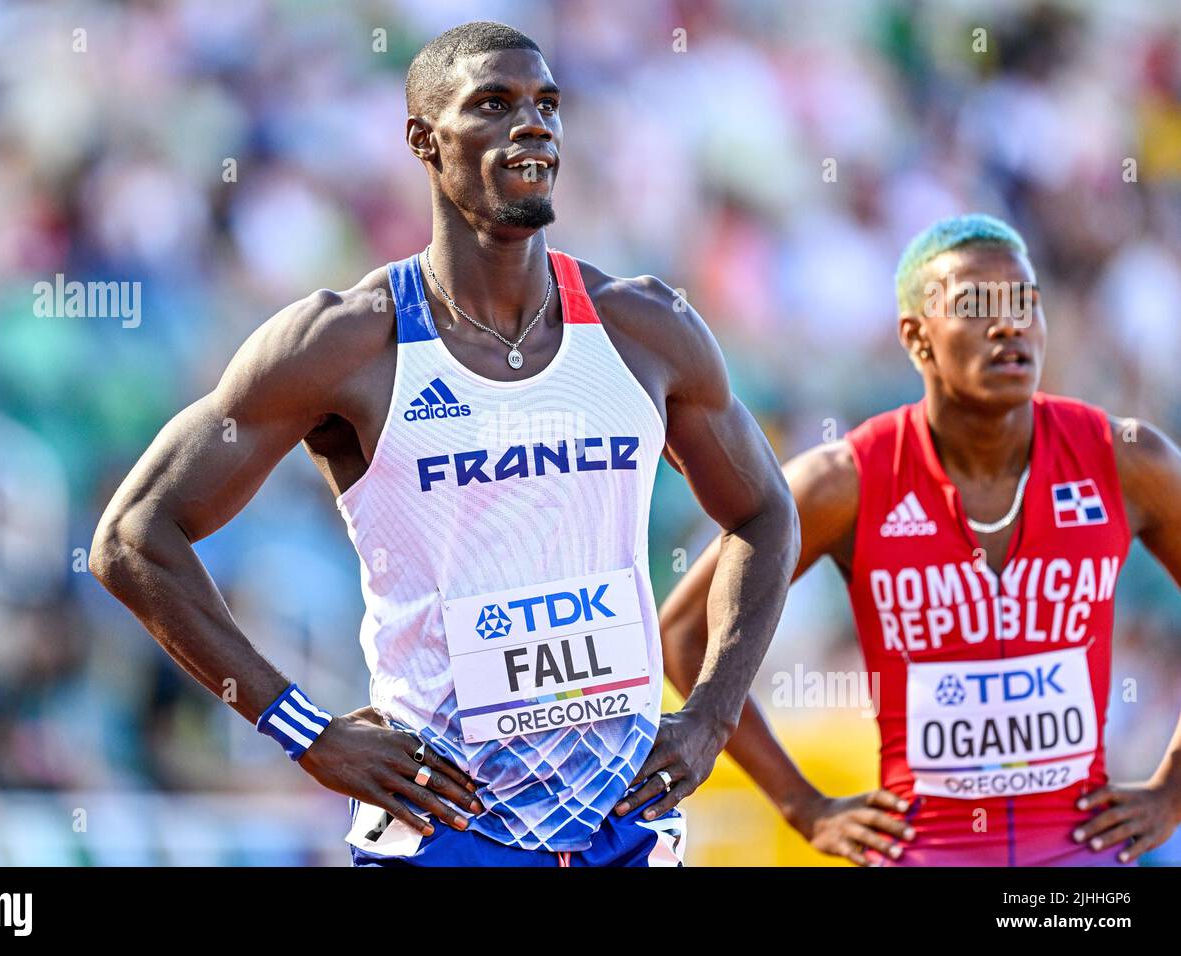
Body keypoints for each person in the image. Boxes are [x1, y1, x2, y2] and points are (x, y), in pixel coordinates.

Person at [88, 21, 799, 867]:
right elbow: (133, 537)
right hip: (444, 830)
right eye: (494, 104)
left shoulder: (645, 329)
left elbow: (762, 513)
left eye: (547, 105)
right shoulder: (345, 344)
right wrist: (305, 730)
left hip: (626, 825)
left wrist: (713, 712)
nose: (531, 124)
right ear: (425, 141)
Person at [659, 214, 1181, 866]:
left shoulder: (1126, 460)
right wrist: (802, 807)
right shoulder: (846, 481)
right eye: (974, 306)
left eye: (1025, 303)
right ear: (917, 338)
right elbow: (683, 631)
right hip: (927, 852)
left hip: (1081, 865)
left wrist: (1170, 794)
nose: (1007, 325)